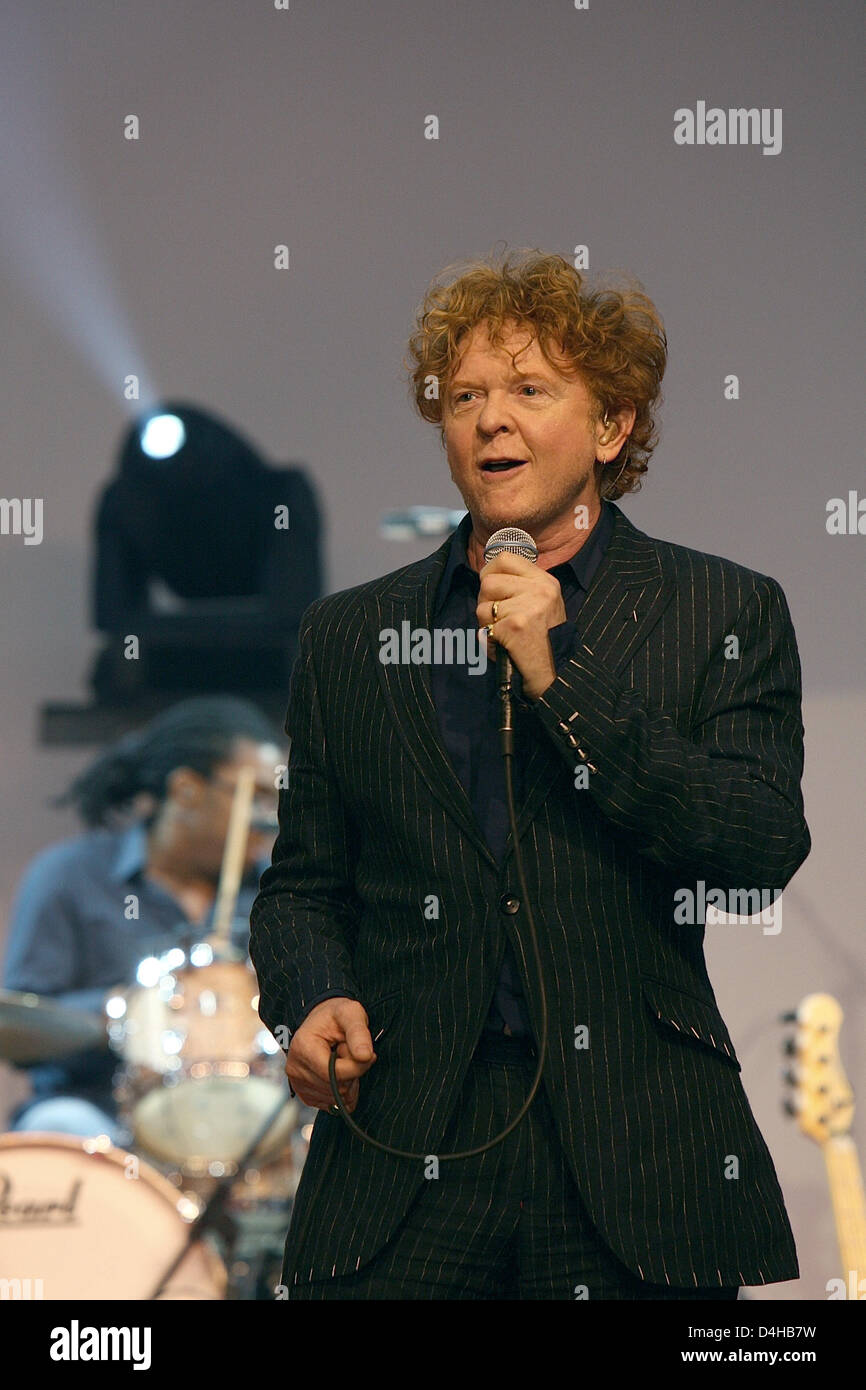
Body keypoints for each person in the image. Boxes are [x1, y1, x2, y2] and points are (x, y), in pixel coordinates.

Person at [249, 249, 810, 1300]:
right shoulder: (350, 634)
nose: (487, 419)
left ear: (611, 427)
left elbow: (753, 846)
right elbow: (302, 886)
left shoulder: (721, 612)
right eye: (462, 396)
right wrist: (310, 995)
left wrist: (564, 679)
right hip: (409, 1152)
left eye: (527, 390)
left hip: (635, 1155)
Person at [3, 696, 283, 1144]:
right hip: (100, 1116)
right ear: (186, 789)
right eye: (258, 797)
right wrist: (133, 1014)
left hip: (244, 1129)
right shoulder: (71, 876)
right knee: (58, 1125)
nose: (269, 819)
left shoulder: (279, 894)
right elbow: (13, 1025)